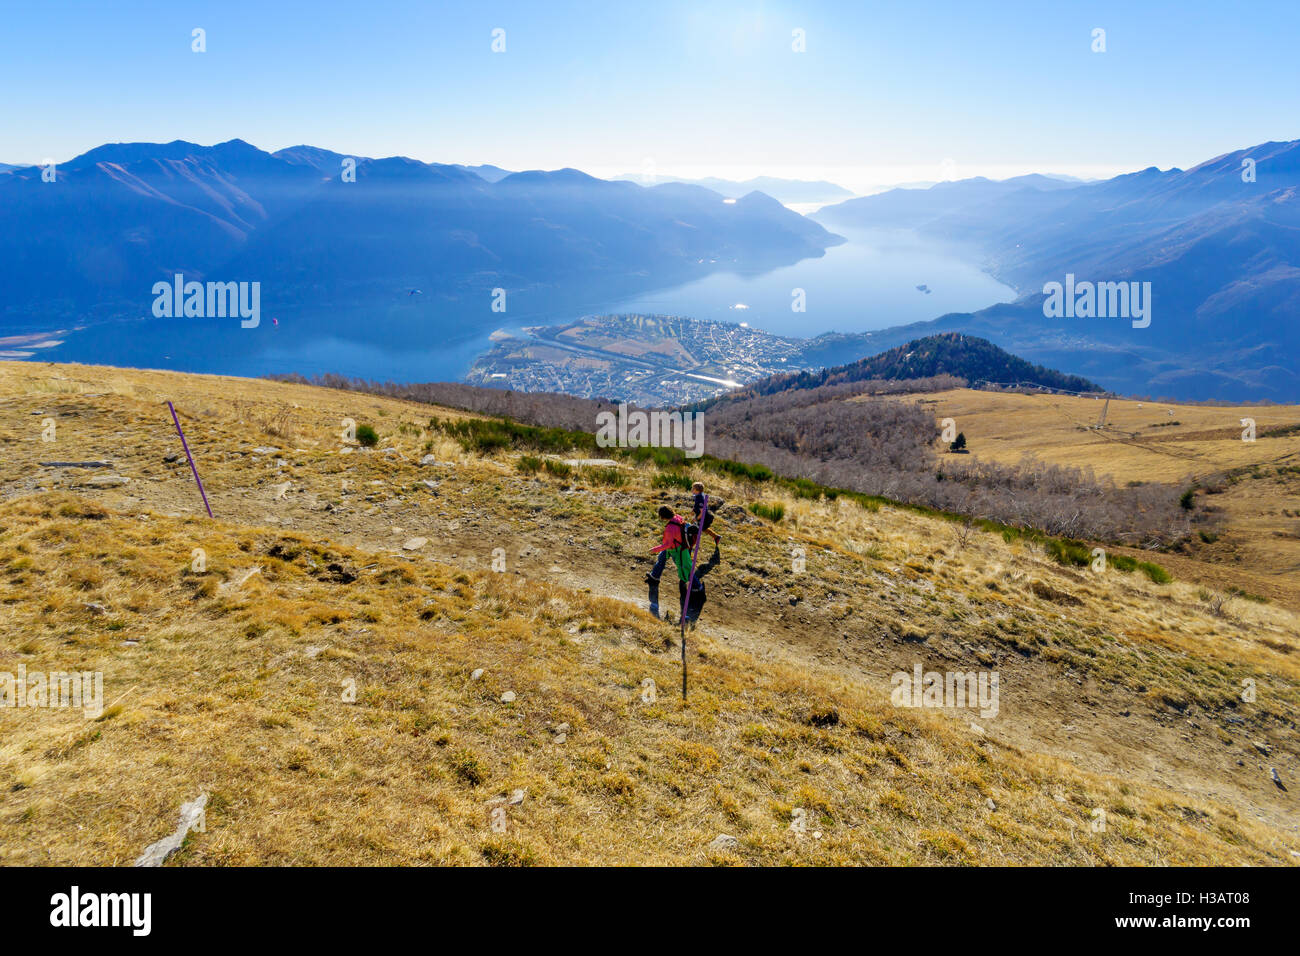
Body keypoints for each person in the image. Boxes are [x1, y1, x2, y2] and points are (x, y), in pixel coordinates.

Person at [646, 505, 686, 584]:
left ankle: (696, 585)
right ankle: (654, 577)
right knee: (661, 558)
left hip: (675, 549)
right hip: (675, 544)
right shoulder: (678, 517)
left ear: (663, 516)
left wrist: (654, 550)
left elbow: (667, 544)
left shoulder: (670, 528)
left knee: (682, 566)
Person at [692, 482, 721, 546]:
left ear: (697, 490)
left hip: (704, 518)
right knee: (702, 528)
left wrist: (696, 519)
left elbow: (702, 512)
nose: (692, 490)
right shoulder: (698, 495)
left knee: (696, 529)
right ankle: (716, 537)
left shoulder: (700, 499)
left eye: (693, 489)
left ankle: (691, 543)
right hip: (700, 515)